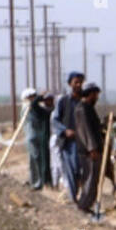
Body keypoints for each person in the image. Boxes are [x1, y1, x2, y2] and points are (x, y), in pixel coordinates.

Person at [51, 71, 86, 203]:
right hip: (69, 143)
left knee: (81, 172)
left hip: (83, 142)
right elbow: (55, 120)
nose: (78, 85)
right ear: (70, 84)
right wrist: (65, 131)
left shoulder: (84, 101)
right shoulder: (64, 101)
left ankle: (82, 198)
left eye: (80, 82)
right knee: (71, 171)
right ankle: (73, 199)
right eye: (75, 82)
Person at [73, 81, 105, 214]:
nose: (97, 97)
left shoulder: (88, 108)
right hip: (89, 152)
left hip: (93, 150)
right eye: (95, 94)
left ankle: (88, 204)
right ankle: (83, 205)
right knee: (90, 179)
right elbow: (85, 130)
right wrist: (92, 148)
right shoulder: (82, 109)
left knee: (94, 179)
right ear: (90, 94)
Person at [23, 88, 52, 190]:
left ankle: (44, 181)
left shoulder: (52, 110)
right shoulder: (37, 110)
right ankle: (39, 182)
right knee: (38, 160)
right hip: (37, 138)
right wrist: (39, 97)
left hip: (47, 139)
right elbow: (34, 105)